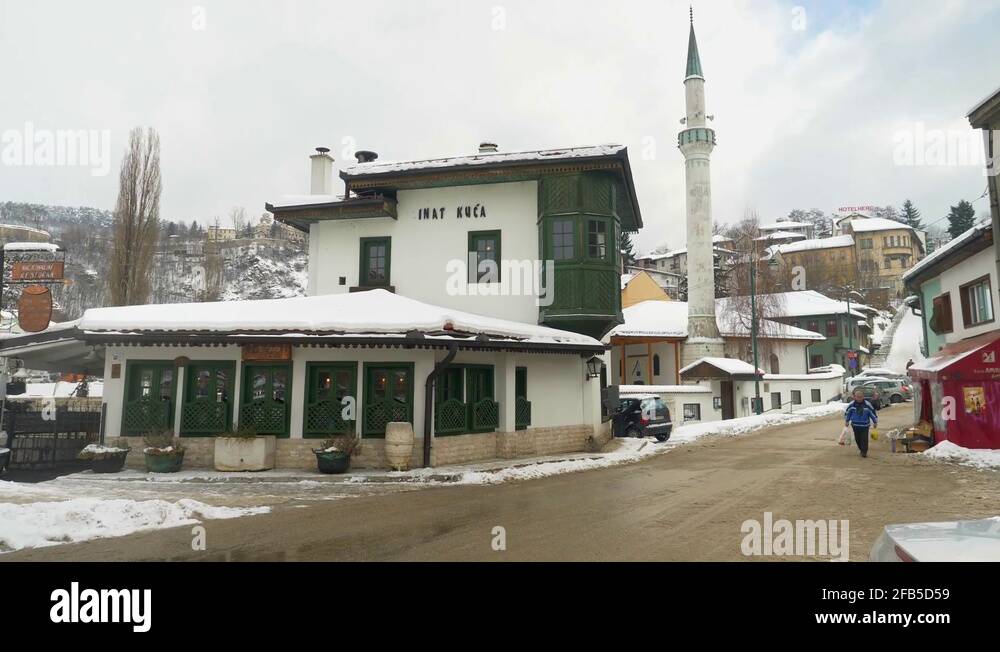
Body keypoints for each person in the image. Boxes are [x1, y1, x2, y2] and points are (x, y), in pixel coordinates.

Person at [845, 388, 878, 458]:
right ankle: (861, 449)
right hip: (855, 425)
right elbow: (847, 413)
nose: (859, 399)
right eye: (857, 397)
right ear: (854, 397)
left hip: (865, 426)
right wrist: (847, 421)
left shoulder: (867, 405)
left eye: (860, 397)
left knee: (864, 439)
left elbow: (873, 414)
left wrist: (875, 422)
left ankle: (864, 452)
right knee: (857, 439)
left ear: (863, 397)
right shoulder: (851, 405)